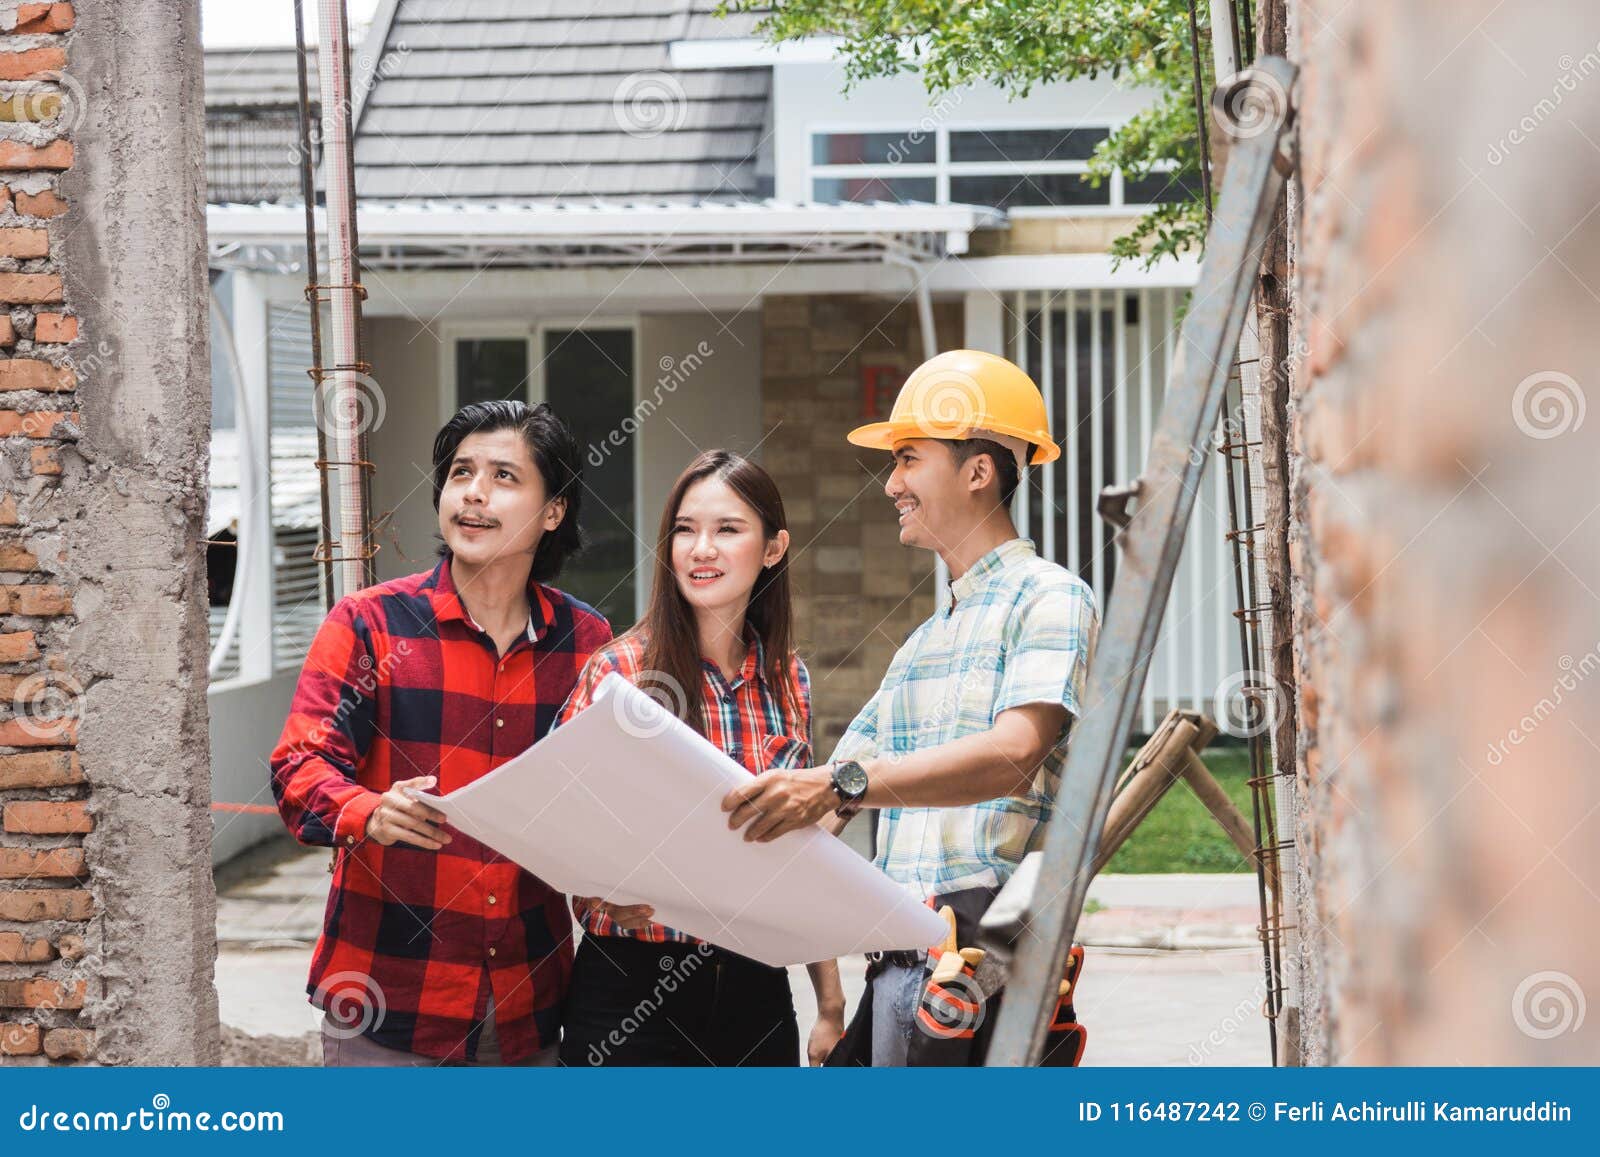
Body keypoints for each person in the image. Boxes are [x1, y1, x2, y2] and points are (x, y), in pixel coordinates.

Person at [721, 350, 1101, 1065]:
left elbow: (1014, 754)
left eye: (908, 459)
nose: (891, 482)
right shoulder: (924, 643)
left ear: (978, 471)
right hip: (900, 972)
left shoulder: (1050, 598)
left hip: (992, 966)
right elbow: (826, 803)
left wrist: (841, 785)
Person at [269, 400, 612, 1066]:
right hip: (388, 998)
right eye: (461, 473)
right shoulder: (370, 624)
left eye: (505, 476)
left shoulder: (585, 642)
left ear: (553, 511)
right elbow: (297, 768)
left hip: (529, 1004)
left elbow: (599, 804)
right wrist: (367, 809)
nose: (475, 494)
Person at [554, 449, 845, 1067]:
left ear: (773, 548)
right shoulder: (622, 672)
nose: (700, 548)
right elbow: (551, 812)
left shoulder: (787, 679)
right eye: (685, 530)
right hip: (629, 987)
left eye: (727, 529)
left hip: (756, 984)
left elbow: (804, 849)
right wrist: (592, 888)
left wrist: (830, 1002)